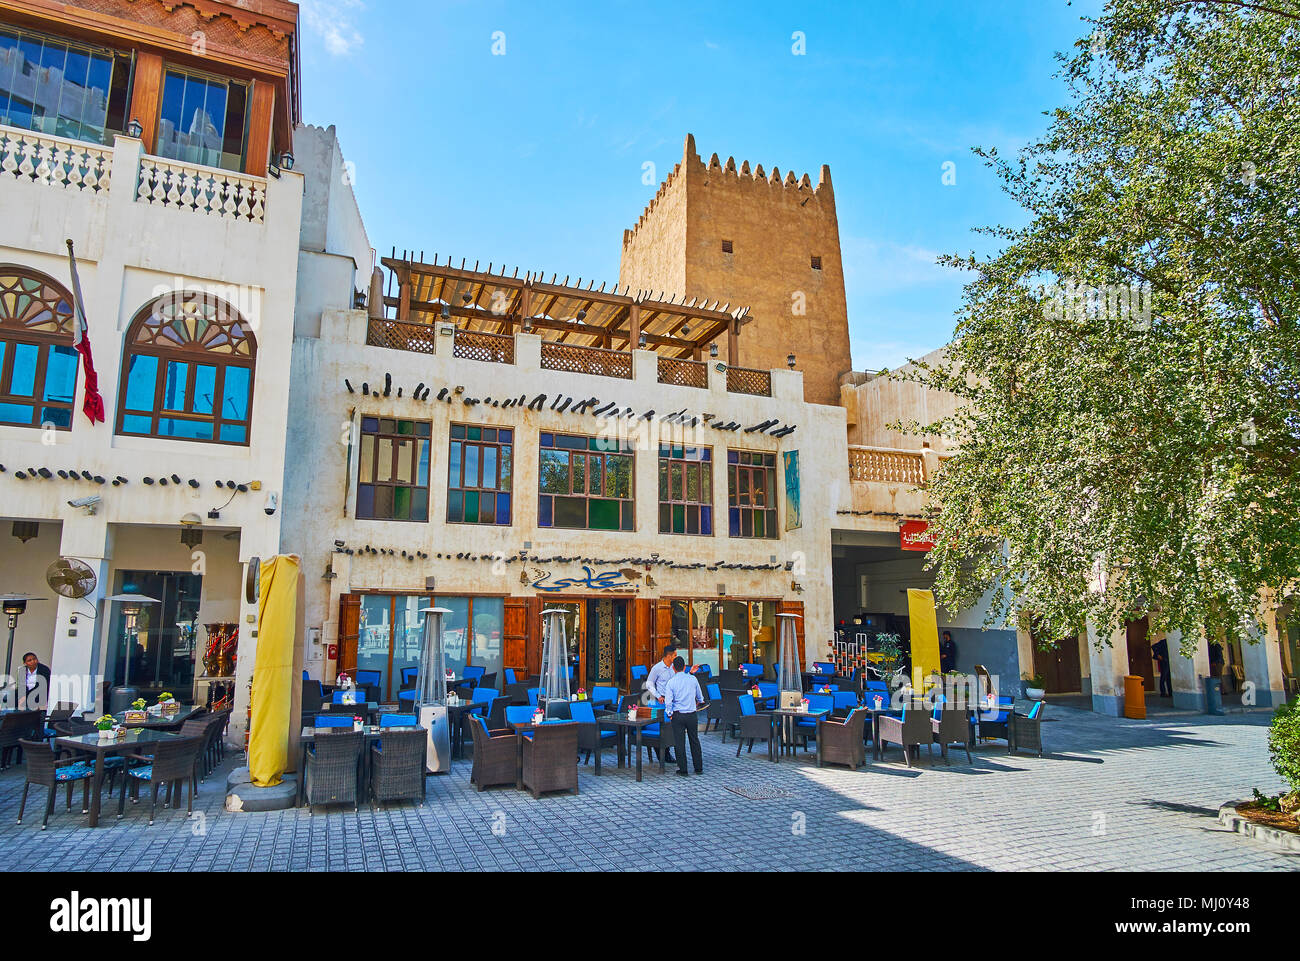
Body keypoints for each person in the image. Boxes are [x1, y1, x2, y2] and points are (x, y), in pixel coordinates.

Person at [662, 656, 705, 776]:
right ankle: (698, 768)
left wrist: (669, 714)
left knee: (679, 743)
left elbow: (668, 702)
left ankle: (683, 769)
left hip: (678, 715)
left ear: (673, 668)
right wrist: (698, 702)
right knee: (694, 740)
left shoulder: (671, 682)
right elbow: (700, 697)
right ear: (685, 667)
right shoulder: (693, 679)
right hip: (691, 714)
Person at [644, 644, 677, 762]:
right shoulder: (657, 668)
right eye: (675, 655)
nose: (676, 657)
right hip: (660, 702)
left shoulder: (674, 668)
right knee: (659, 728)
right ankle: (662, 755)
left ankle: (667, 753)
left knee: (669, 728)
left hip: (671, 702)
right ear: (669, 656)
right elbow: (649, 683)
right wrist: (658, 696)